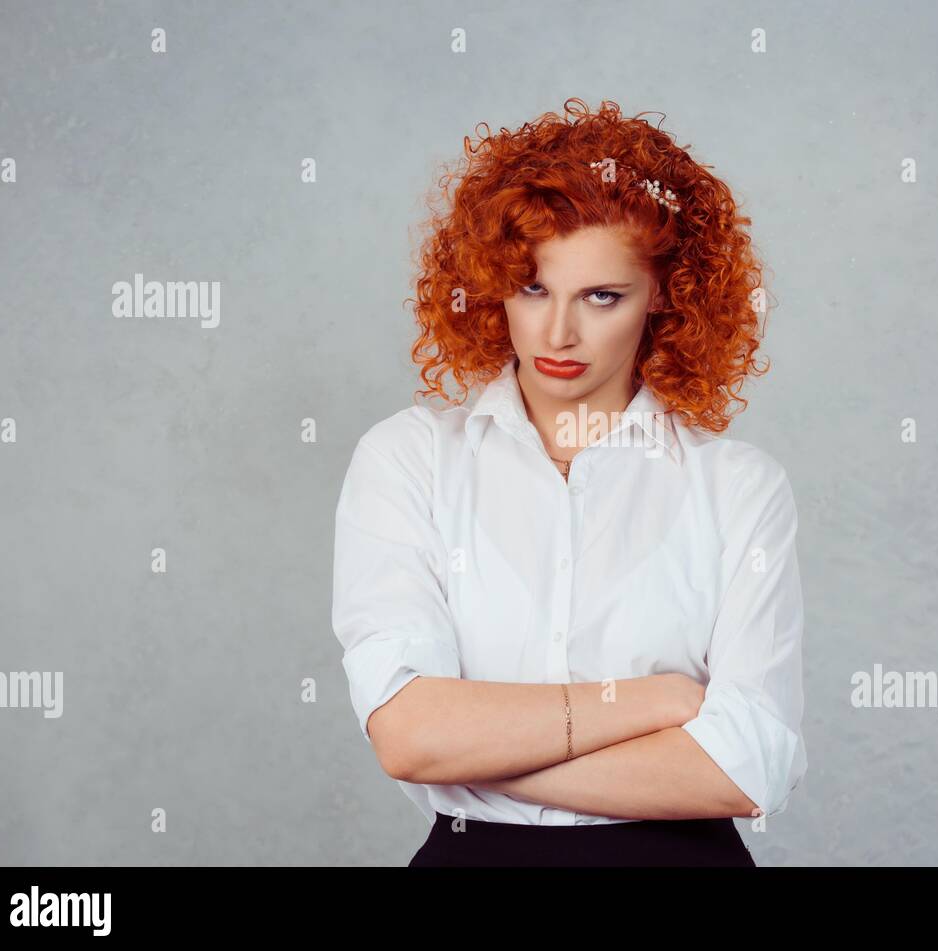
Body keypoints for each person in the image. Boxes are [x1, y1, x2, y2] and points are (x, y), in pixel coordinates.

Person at [331, 98, 806, 866]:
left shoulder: (738, 488)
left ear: (664, 296)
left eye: (601, 297)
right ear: (491, 285)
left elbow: (747, 765)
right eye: (532, 289)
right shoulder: (408, 460)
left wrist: (480, 756)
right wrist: (655, 703)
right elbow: (410, 734)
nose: (557, 334)